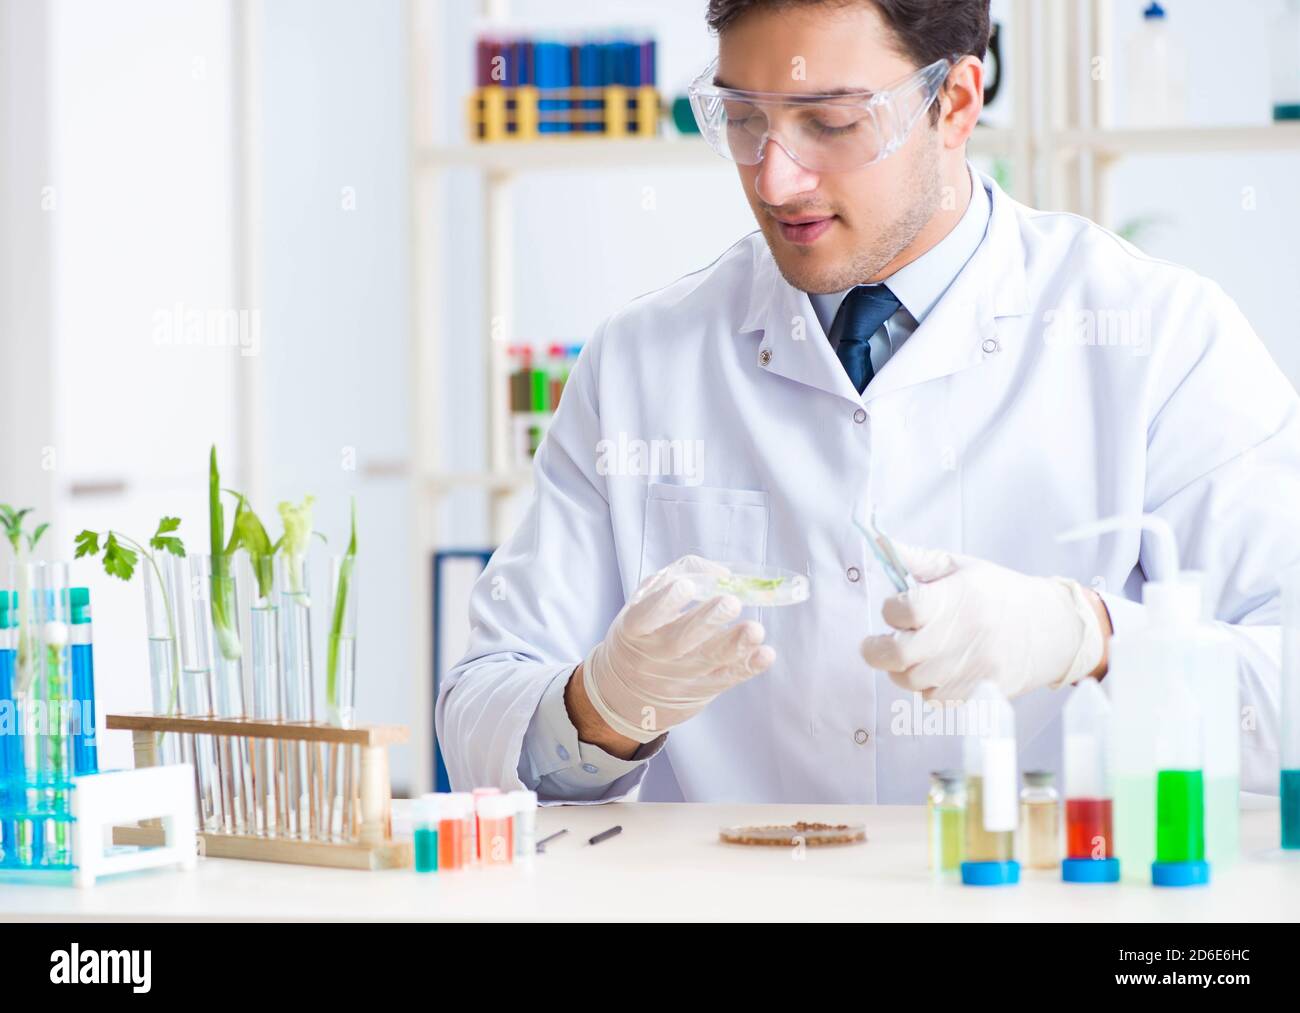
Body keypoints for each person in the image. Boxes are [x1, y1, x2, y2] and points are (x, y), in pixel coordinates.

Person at [437, 0, 1300, 803]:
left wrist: (1088, 636)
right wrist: (604, 707)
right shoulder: (642, 360)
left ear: (956, 102)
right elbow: (480, 703)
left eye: (832, 123)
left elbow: (1285, 695)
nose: (775, 178)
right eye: (744, 120)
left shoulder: (1158, 337)